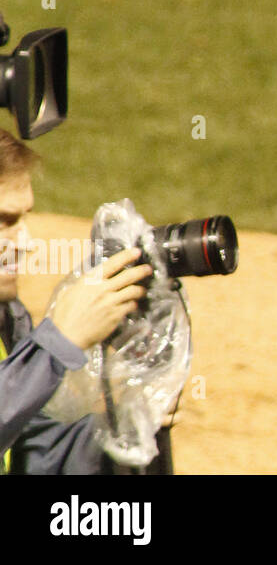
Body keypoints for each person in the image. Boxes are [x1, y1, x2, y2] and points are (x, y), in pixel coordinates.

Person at [0, 129, 154, 475]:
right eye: (4, 221)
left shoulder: (7, 316)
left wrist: (129, 420)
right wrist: (57, 345)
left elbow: (39, 453)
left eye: (25, 218)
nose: (25, 242)